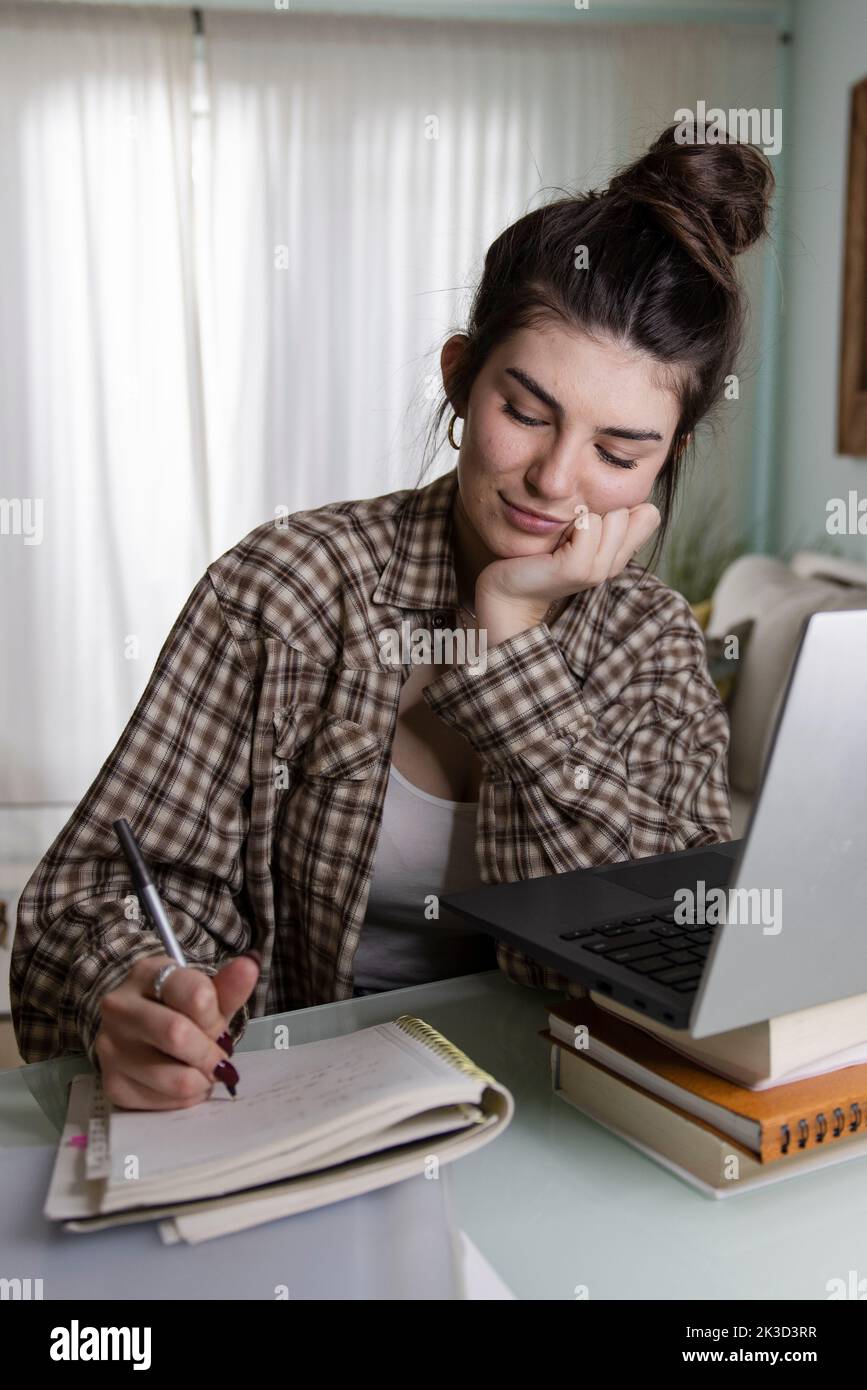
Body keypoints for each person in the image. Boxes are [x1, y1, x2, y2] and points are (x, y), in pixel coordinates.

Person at [12, 123, 773, 1109]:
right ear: (460, 374)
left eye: (617, 452)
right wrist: (136, 987)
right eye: (528, 411)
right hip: (283, 1104)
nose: (552, 479)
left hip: (556, 1106)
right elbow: (81, 902)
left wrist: (510, 646)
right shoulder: (283, 585)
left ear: (661, 468)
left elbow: (671, 960)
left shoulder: (656, 643)